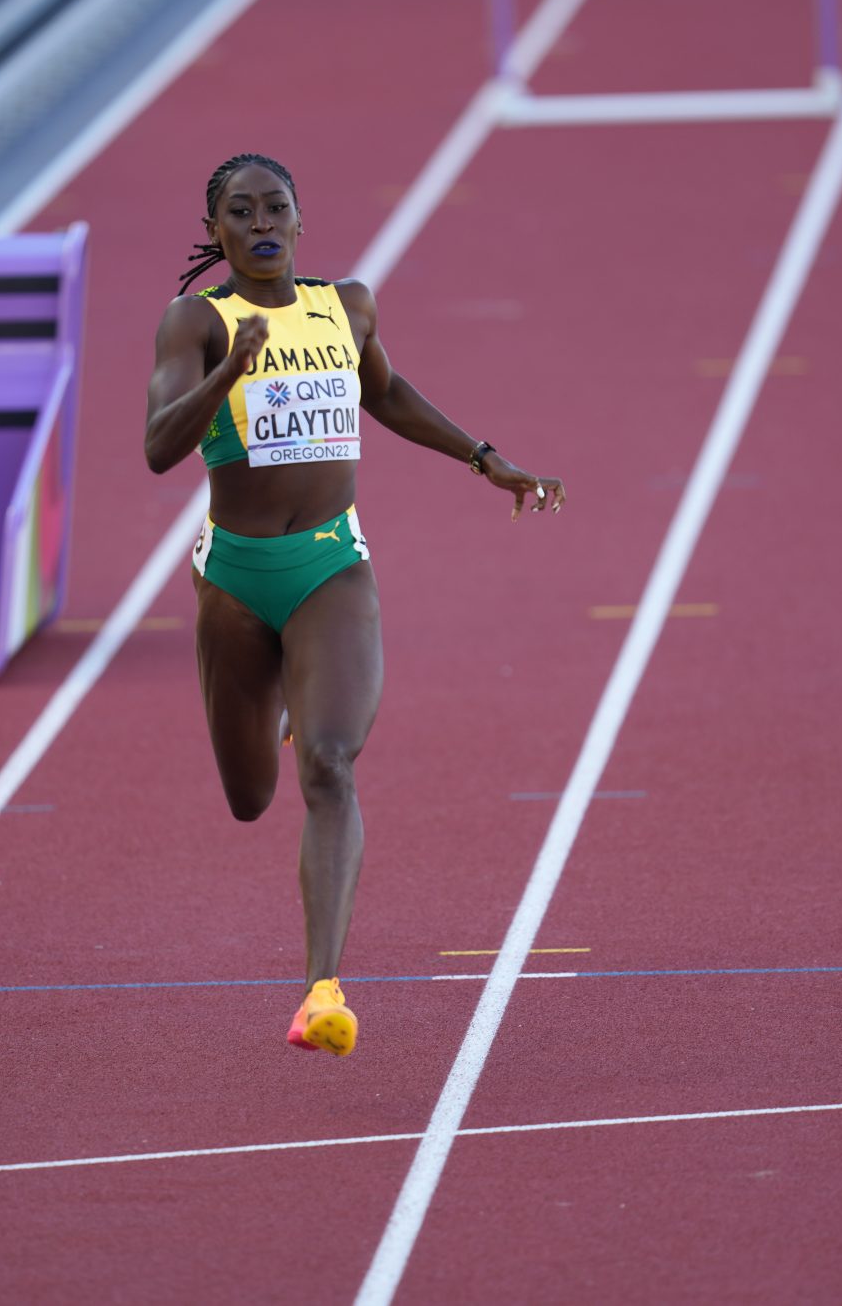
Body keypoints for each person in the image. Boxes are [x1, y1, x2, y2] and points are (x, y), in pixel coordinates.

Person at [145, 153, 565, 1054]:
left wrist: (484, 457)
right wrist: (228, 373)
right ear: (216, 232)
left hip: (331, 565)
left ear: (301, 222)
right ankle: (281, 695)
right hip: (234, 583)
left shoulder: (348, 306)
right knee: (250, 798)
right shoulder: (197, 321)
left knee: (330, 766)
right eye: (240, 211)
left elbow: (386, 393)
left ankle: (321, 990)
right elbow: (156, 445)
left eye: (276, 207)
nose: (261, 223)